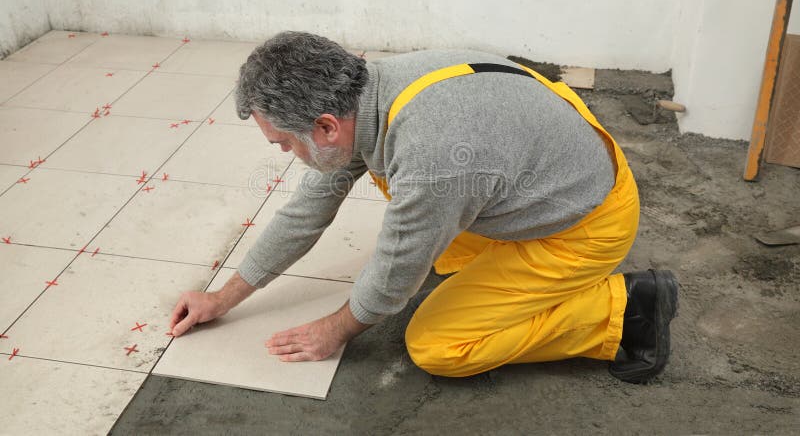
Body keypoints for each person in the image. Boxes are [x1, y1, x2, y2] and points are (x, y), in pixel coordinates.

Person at [169, 31, 678, 383]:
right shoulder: (370, 90)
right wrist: (223, 298)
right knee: (436, 250)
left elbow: (394, 272)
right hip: (554, 167)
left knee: (438, 346)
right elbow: (307, 211)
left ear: (325, 126)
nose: (286, 154)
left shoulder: (431, 154)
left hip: (584, 224)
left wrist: (336, 328)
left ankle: (625, 308)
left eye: (284, 143)